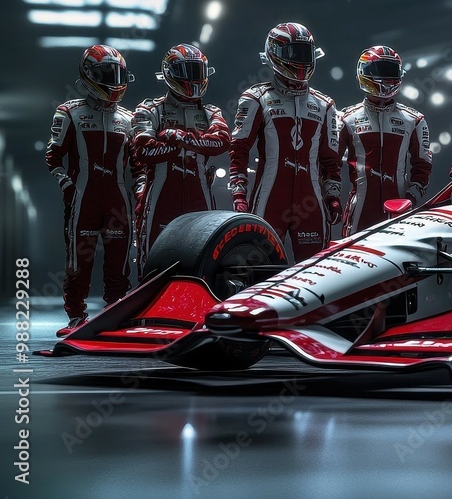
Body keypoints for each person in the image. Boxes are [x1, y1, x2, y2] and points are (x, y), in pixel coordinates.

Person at [229, 22, 341, 261]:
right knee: (259, 270)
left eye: (305, 53)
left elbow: (330, 161)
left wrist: (332, 195)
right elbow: (238, 151)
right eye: (293, 53)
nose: (300, 61)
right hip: (270, 200)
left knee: (317, 271)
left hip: (310, 203)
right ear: (274, 54)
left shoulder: (325, 105)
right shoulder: (256, 98)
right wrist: (239, 194)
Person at [45, 44, 135, 336]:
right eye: (107, 72)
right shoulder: (68, 112)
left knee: (119, 261)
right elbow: (53, 157)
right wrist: (67, 185)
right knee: (79, 260)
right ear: (88, 74)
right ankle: (75, 317)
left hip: (117, 200)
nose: (114, 79)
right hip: (82, 198)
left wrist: (143, 187)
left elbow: (138, 163)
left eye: (118, 73)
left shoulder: (129, 119)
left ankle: (116, 313)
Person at [131, 44, 230, 275]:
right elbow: (143, 151)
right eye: (188, 71)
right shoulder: (149, 109)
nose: (194, 79)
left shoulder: (211, 111)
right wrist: (194, 143)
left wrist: (176, 137)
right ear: (170, 72)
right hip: (160, 198)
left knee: (202, 263)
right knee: (153, 265)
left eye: (198, 71)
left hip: (200, 197)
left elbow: (222, 142)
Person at [335, 45, 432, 235]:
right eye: (380, 70)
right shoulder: (346, 118)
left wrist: (411, 197)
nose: (386, 78)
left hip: (401, 209)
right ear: (364, 72)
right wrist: (331, 197)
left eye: (391, 71)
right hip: (360, 210)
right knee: (354, 260)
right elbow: (330, 164)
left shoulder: (414, 120)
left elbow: (423, 167)